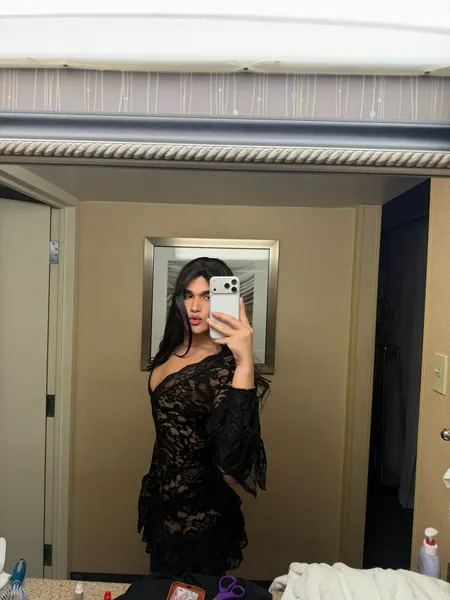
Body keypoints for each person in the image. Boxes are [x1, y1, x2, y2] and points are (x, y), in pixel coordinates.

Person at [138, 257, 269, 577]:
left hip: (201, 518)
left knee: (196, 593)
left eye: (208, 296)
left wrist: (244, 362)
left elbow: (232, 465)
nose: (195, 306)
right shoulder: (171, 349)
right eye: (188, 295)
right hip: (162, 503)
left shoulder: (226, 368)